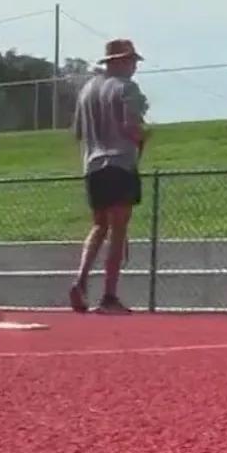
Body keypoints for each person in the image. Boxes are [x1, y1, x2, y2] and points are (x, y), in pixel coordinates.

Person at [69, 39, 149, 315]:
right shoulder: (126, 87)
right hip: (120, 162)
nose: (134, 66)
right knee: (118, 231)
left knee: (99, 225)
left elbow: (78, 132)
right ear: (121, 61)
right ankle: (109, 296)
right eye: (131, 61)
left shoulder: (87, 90)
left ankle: (80, 281)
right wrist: (143, 136)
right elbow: (131, 125)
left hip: (93, 165)